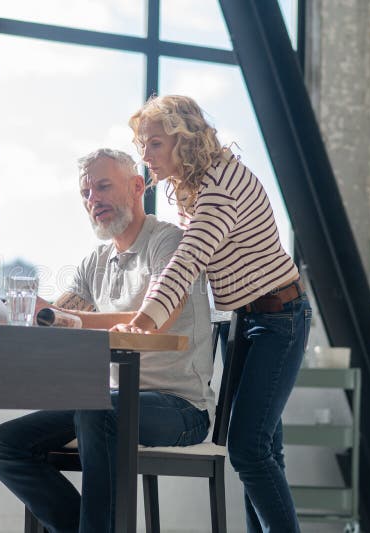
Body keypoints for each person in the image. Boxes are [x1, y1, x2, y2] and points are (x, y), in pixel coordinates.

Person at [0, 148, 215, 533]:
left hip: (179, 409)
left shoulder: (168, 244)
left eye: (103, 186)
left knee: (96, 411)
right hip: (107, 406)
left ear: (137, 186)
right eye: (86, 193)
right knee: (3, 446)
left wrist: (56, 316)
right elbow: (55, 322)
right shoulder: (96, 263)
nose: (94, 200)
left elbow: (151, 320)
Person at [113, 95, 311, 533]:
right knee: (262, 451)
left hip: (280, 318)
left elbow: (187, 261)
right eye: (142, 145)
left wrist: (143, 322)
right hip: (246, 320)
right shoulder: (192, 184)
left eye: (155, 145)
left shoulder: (220, 186)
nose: (145, 157)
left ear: (184, 140)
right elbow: (189, 267)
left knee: (248, 450)